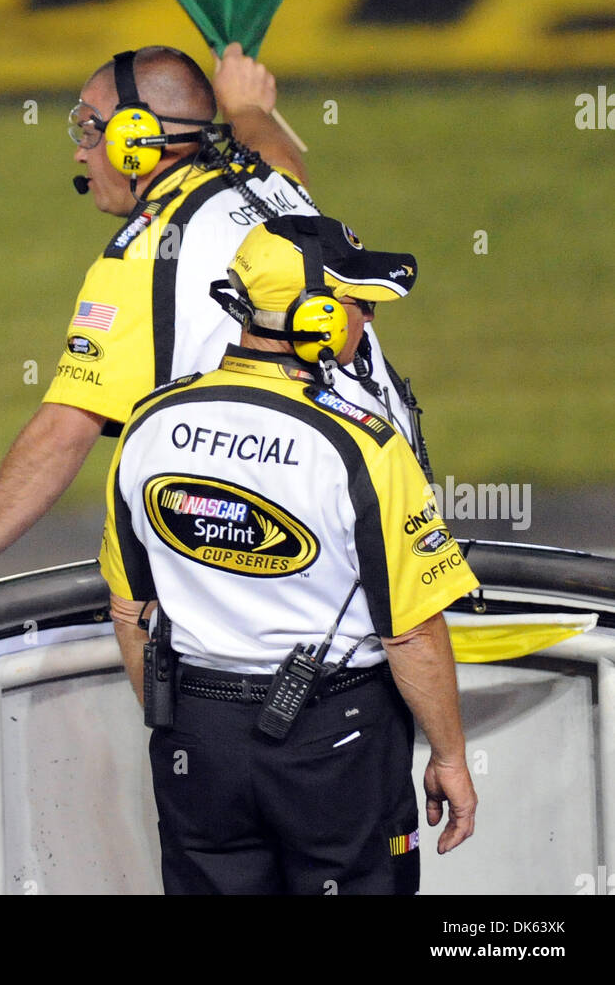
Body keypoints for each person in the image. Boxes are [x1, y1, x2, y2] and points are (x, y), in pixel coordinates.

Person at [0, 43, 415, 646]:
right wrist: (245, 105)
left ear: (136, 138)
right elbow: (277, 151)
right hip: (395, 525)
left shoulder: (141, 256)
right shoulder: (273, 190)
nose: (82, 151)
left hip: (294, 584)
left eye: (90, 128)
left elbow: (65, 430)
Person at [99, 213, 478, 895]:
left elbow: (129, 610)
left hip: (194, 735)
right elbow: (413, 630)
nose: (367, 322)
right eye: (359, 306)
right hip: (334, 741)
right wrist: (450, 754)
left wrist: (186, 723)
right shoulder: (362, 445)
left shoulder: (148, 425)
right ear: (317, 321)